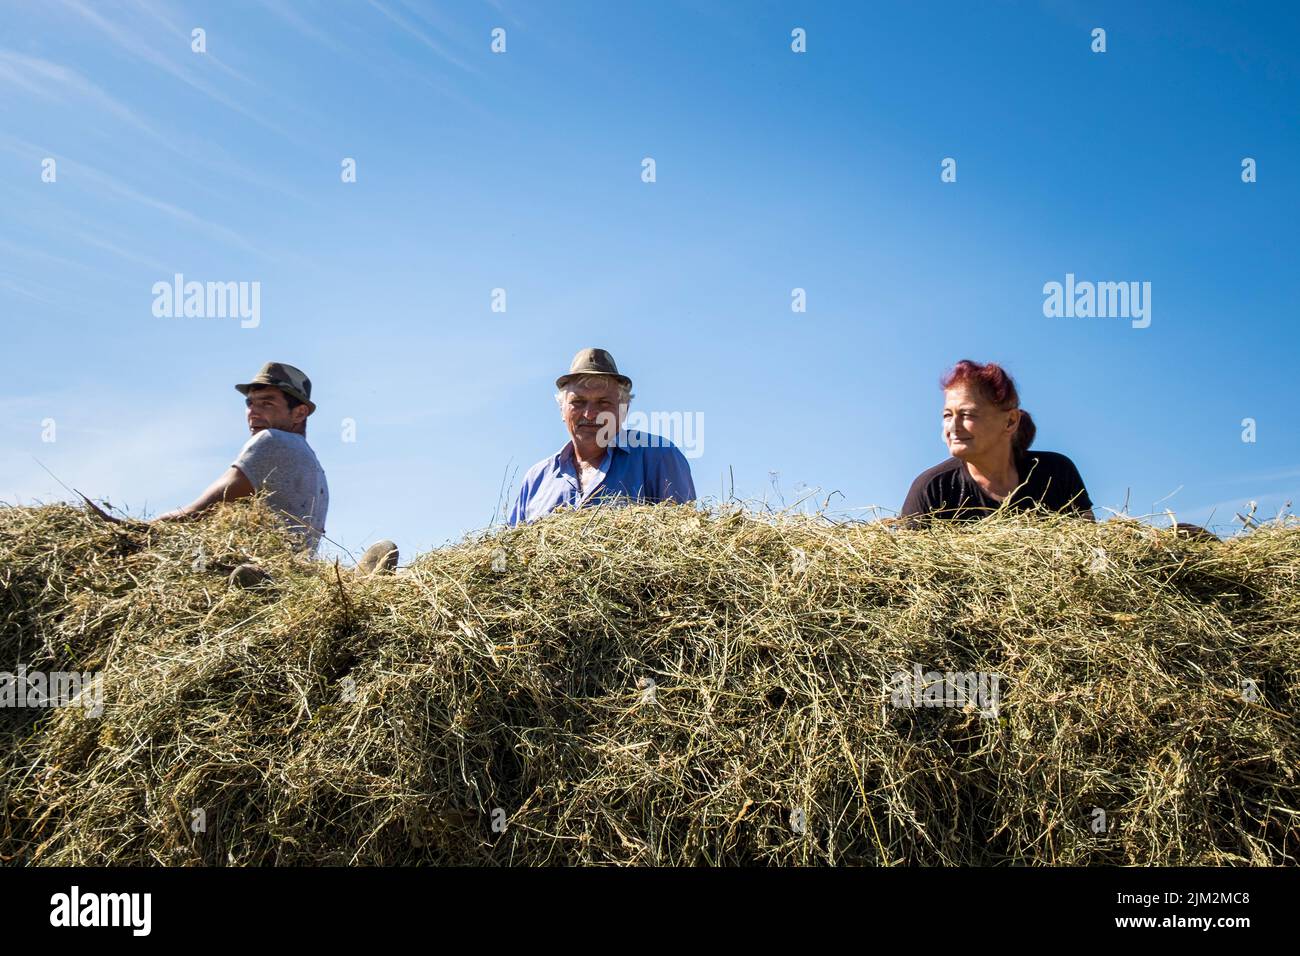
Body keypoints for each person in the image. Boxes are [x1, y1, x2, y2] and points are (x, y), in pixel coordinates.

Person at [152, 362, 330, 552]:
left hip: (253, 570)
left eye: (267, 403)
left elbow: (199, 512)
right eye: (250, 403)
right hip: (282, 574)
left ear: (299, 413)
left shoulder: (273, 440)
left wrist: (141, 531)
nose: (253, 412)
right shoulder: (317, 470)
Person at [508, 348, 696, 525]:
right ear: (561, 409)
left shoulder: (659, 457)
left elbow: (685, 536)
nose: (590, 414)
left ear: (624, 409)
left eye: (603, 403)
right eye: (578, 402)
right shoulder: (536, 480)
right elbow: (512, 553)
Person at [901, 359, 1094, 523]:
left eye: (967, 414)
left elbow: (1089, 549)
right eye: (947, 415)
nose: (952, 427)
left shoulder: (1055, 473)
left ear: (1010, 421)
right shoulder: (932, 490)